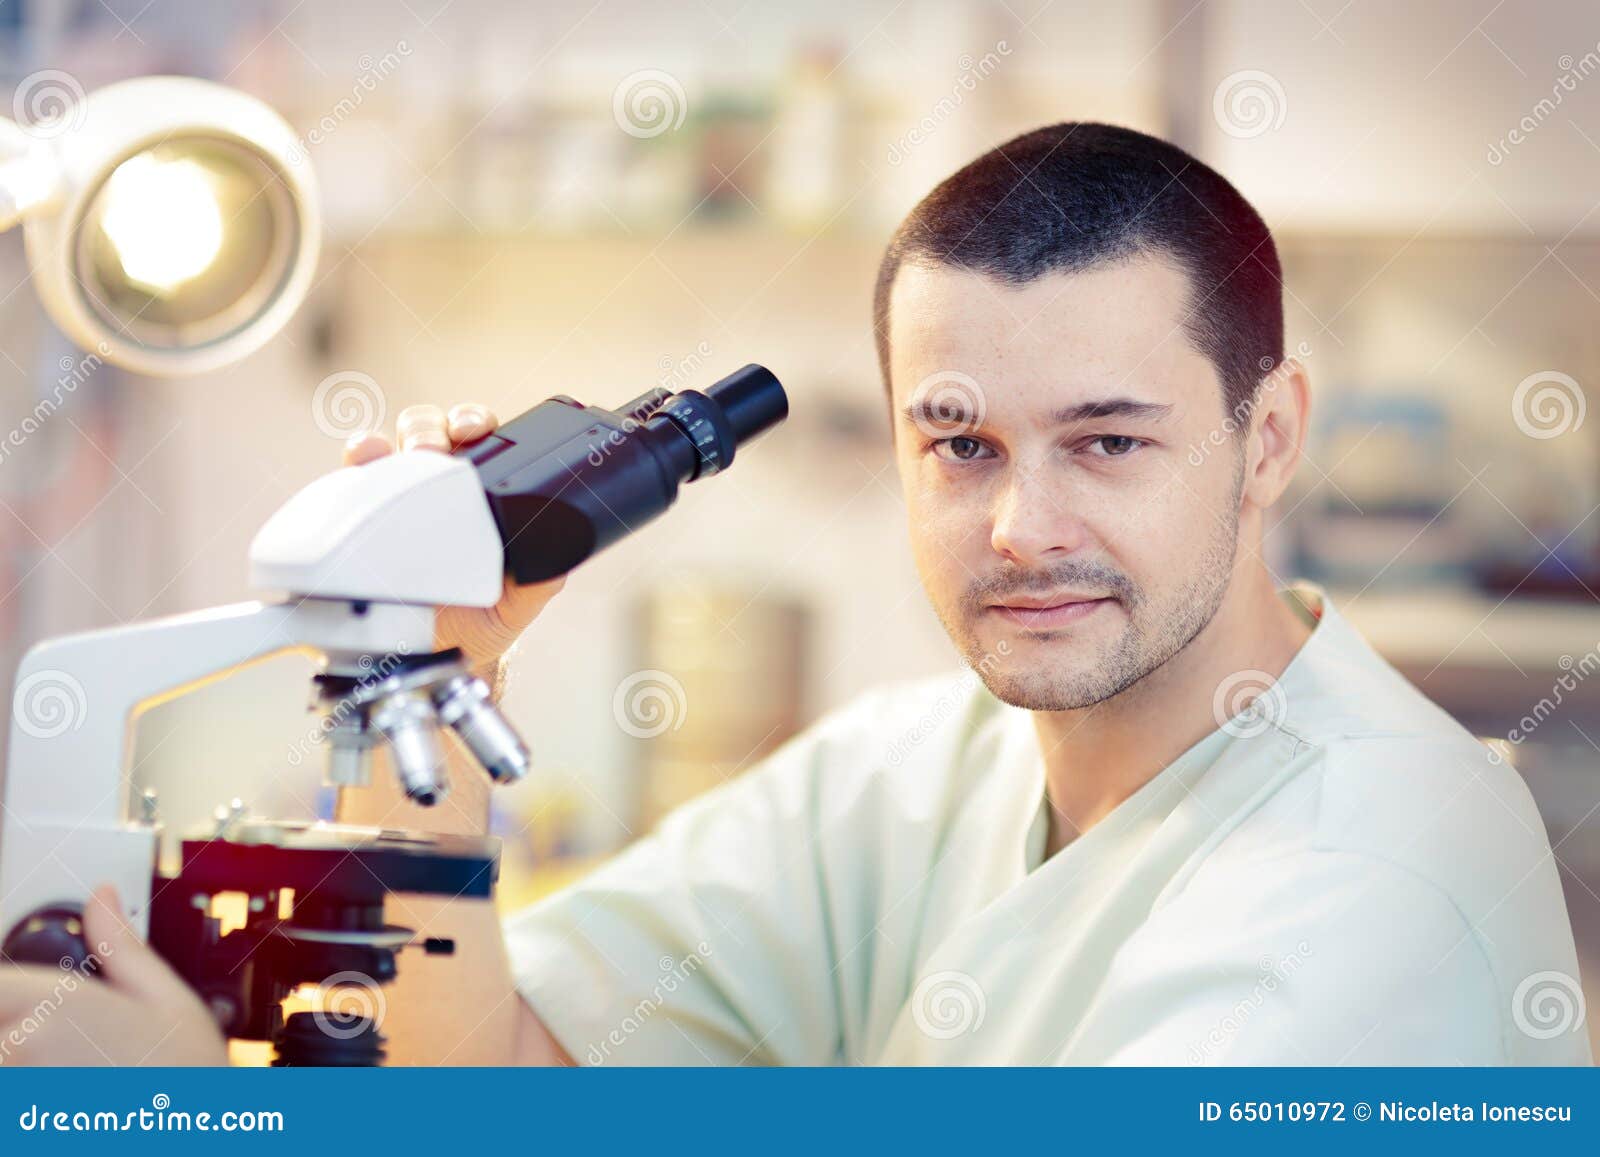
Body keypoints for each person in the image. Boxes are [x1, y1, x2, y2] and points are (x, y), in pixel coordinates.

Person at [1, 123, 1586, 1066]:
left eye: (1107, 440)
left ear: (1271, 438)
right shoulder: (910, 775)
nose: (1023, 525)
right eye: (957, 443)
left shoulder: (1373, 884)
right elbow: (510, 1070)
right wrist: (432, 677)